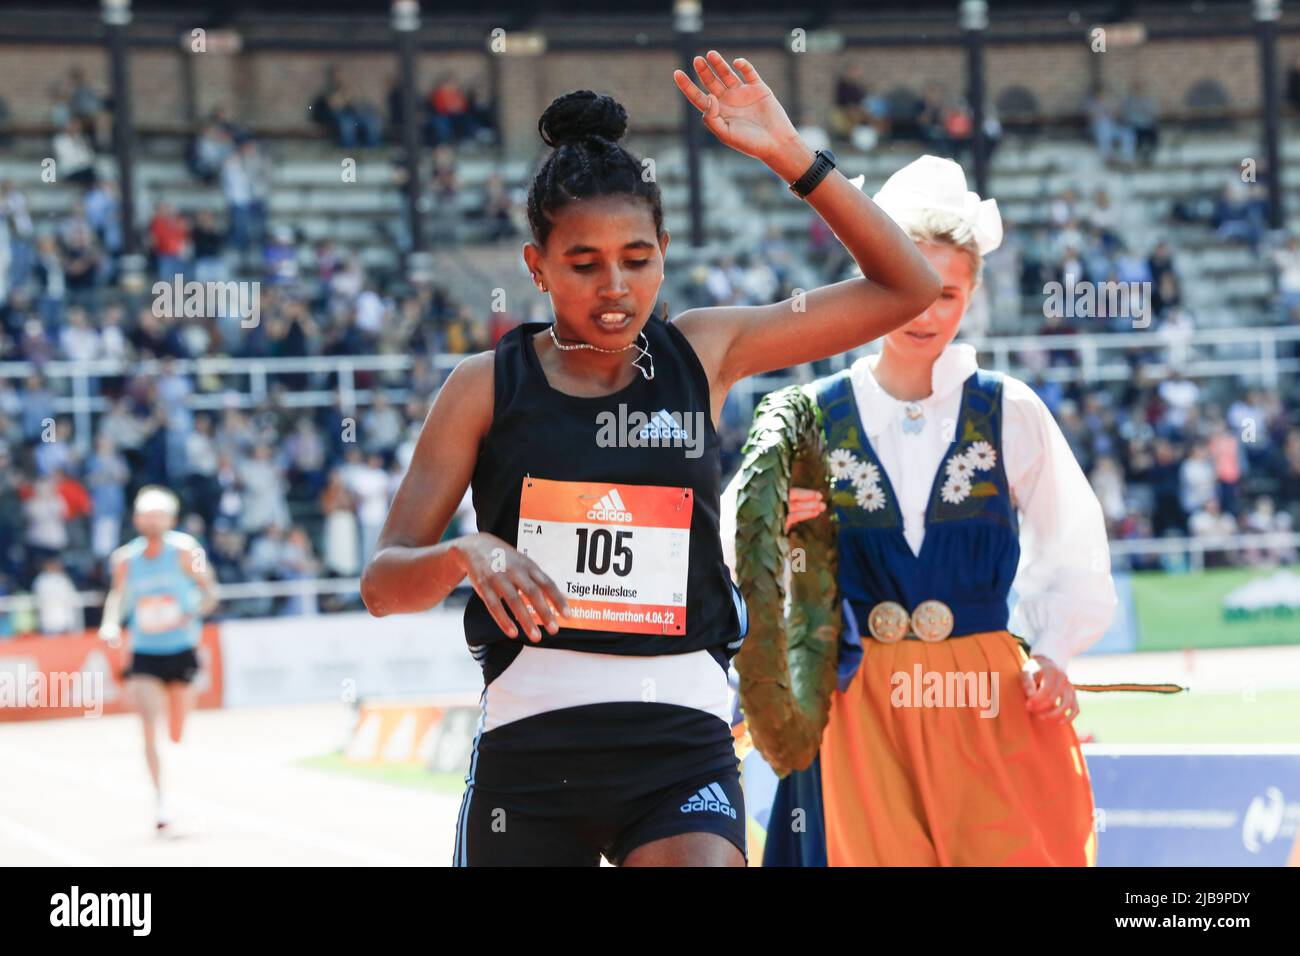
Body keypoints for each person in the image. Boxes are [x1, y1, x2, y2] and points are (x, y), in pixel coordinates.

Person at [359, 51, 941, 868]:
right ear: (537, 267)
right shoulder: (484, 387)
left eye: (637, 258)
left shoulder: (704, 351)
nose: (616, 288)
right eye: (583, 264)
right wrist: (464, 552)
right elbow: (382, 586)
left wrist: (791, 157)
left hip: (681, 744)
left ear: (664, 249)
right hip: (530, 749)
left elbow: (906, 287)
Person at [720, 155, 1117, 866]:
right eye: (910, 290)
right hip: (856, 705)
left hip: (985, 699)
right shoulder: (810, 414)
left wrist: (1054, 653)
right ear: (876, 286)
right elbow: (734, 546)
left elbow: (1073, 544)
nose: (926, 313)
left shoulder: (1010, 410)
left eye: (948, 294)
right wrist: (777, 538)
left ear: (974, 297)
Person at [99, 485, 218, 831]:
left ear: (170, 518)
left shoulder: (185, 551)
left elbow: (210, 590)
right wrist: (110, 625)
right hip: (145, 651)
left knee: (177, 731)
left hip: (180, 648)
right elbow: (117, 597)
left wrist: (190, 611)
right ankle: (160, 800)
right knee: (149, 726)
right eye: (146, 515)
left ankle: (178, 776)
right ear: (137, 519)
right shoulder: (124, 559)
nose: (152, 522)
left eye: (159, 515)